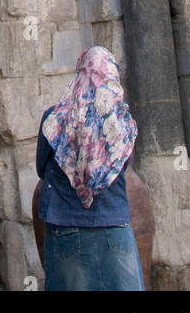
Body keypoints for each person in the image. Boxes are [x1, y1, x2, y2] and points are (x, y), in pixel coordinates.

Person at [36, 45, 144, 291]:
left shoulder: (53, 118)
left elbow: (41, 168)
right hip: (113, 225)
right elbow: (120, 168)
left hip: (66, 225)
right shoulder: (122, 123)